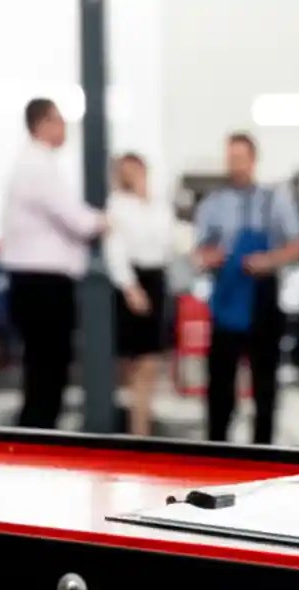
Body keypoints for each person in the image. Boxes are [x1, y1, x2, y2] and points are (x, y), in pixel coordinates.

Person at [0, 98, 106, 429]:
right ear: (42, 123)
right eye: (59, 121)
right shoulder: (38, 166)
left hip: (32, 282)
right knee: (49, 368)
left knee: (41, 366)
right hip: (42, 283)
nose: (64, 130)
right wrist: (108, 221)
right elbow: (77, 220)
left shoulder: (32, 164)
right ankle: (38, 435)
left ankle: (37, 430)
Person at [195, 132, 299, 444]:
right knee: (220, 381)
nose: (235, 165)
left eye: (241, 158)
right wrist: (209, 257)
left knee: (264, 381)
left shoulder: (274, 200)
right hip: (227, 296)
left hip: (262, 297)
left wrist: (268, 260)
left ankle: (263, 448)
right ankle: (217, 446)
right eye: (231, 159)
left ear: (253, 160)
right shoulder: (213, 204)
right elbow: (199, 252)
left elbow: (297, 245)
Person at [103, 153, 195, 436]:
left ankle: (141, 427)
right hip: (131, 282)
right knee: (129, 361)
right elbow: (114, 249)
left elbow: (170, 242)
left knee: (151, 360)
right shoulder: (116, 206)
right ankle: (124, 424)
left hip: (156, 280)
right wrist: (130, 288)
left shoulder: (158, 207)